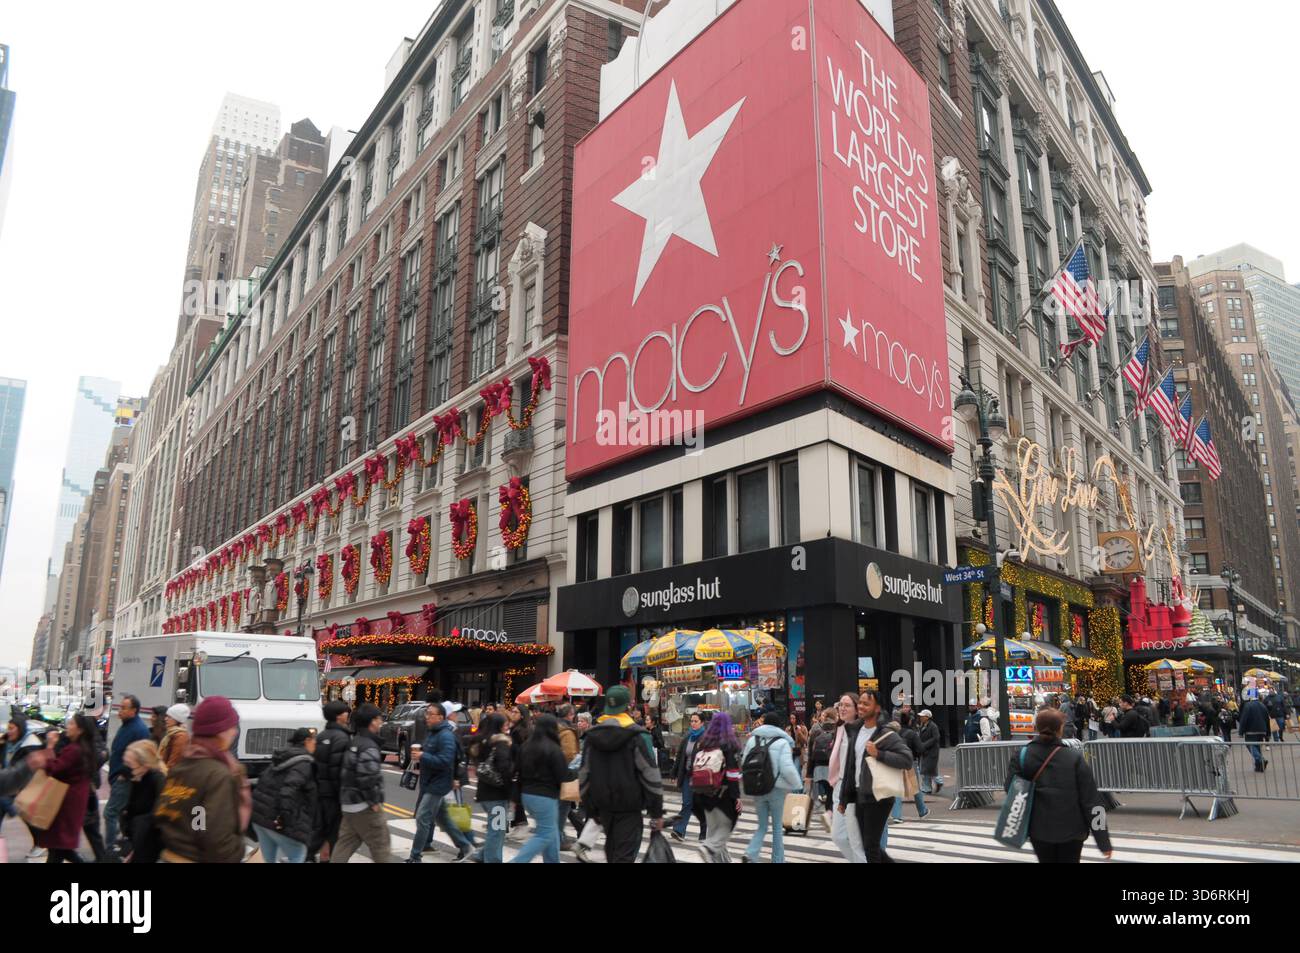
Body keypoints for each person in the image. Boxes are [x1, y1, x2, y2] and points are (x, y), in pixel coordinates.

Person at [1004, 708, 1113, 863]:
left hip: (1039, 829)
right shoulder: (1074, 758)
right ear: (1060, 729)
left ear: (1036, 727)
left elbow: (1011, 790)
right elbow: (1093, 801)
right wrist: (1103, 840)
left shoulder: (1022, 755)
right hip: (1072, 830)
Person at [154, 696, 250, 863]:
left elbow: (165, 814)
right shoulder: (219, 775)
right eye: (232, 727)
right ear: (220, 730)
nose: (235, 732)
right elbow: (215, 838)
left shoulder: (183, 766)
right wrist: (240, 850)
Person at [577, 685, 663, 863]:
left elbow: (584, 775)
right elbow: (651, 775)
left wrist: (591, 809)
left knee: (612, 850)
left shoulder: (591, 737)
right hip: (630, 808)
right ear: (628, 707)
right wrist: (656, 812)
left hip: (603, 807)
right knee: (624, 855)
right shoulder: (638, 736)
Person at [841, 691, 912, 863]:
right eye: (861, 703)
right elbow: (851, 767)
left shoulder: (886, 733)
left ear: (877, 708)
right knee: (868, 846)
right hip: (860, 794)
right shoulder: (855, 730)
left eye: (866, 704)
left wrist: (879, 754)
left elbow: (907, 759)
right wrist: (844, 798)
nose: (861, 706)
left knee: (870, 847)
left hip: (879, 795)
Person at [407, 703, 475, 863]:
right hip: (430, 782)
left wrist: (423, 756)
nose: (427, 716)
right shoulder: (433, 733)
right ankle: (466, 846)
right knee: (443, 818)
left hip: (438, 784)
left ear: (440, 717)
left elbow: (445, 761)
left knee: (422, 817)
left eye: (430, 714)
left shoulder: (445, 735)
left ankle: (415, 856)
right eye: (427, 713)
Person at [510, 714, 575, 864]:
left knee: (550, 831)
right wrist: (575, 772)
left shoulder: (526, 745)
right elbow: (563, 776)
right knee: (545, 833)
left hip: (527, 794)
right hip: (545, 796)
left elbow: (516, 770)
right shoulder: (553, 748)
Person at [330, 704, 390, 864]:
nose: (381, 722)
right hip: (364, 807)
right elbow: (368, 777)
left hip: (349, 805)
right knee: (381, 845)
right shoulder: (369, 746)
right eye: (379, 719)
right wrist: (374, 802)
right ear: (372, 722)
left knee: (344, 845)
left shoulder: (354, 742)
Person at [740, 709, 801, 863]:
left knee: (761, 826)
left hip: (757, 789)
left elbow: (744, 763)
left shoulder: (752, 740)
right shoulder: (782, 742)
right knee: (776, 829)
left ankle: (751, 853)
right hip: (776, 790)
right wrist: (797, 785)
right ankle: (778, 860)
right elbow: (787, 768)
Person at [35, 713, 98, 862]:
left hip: (65, 802)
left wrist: (49, 748)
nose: (67, 727)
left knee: (59, 845)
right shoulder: (83, 748)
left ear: (80, 729)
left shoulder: (74, 750)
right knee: (59, 847)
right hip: (71, 800)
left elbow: (54, 769)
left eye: (71, 724)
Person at [251, 727, 318, 863]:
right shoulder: (303, 763)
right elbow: (288, 792)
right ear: (307, 741)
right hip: (277, 819)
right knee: (298, 854)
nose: (316, 744)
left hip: (259, 818)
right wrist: (285, 820)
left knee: (270, 859)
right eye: (314, 741)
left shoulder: (282, 757)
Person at [692, 711, 742, 863]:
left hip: (702, 792)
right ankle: (707, 848)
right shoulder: (728, 744)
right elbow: (732, 774)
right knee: (726, 827)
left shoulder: (703, 742)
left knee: (714, 831)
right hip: (722, 793)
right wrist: (736, 797)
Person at [104, 694, 150, 859]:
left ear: (134, 710)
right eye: (120, 707)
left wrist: (125, 774)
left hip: (125, 779)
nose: (119, 711)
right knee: (119, 813)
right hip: (118, 777)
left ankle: (110, 849)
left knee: (110, 812)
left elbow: (142, 756)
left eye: (124, 708)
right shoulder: (128, 725)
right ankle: (119, 842)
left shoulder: (138, 729)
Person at [469, 713, 514, 863]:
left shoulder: (482, 742)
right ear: (500, 726)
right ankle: (492, 860)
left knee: (494, 829)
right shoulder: (500, 743)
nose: (507, 727)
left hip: (484, 791)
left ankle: (481, 855)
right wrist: (511, 790)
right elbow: (504, 768)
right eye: (506, 725)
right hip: (498, 795)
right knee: (497, 831)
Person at [1, 710, 46, 857]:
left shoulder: (30, 744)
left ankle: (42, 843)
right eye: (9, 727)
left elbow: (25, 770)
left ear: (20, 728)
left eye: (12, 728)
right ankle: (42, 843)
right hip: (10, 785)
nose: (9, 731)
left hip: (24, 786)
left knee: (27, 815)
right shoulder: (8, 741)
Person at [313, 700, 351, 861]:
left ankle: (322, 858)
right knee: (334, 834)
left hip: (319, 793)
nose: (347, 714)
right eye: (344, 712)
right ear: (338, 716)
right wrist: (343, 798)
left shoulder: (321, 736)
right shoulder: (341, 738)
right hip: (333, 797)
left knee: (323, 833)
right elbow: (338, 772)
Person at [119, 740, 165, 864]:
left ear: (145, 765)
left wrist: (135, 850)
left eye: (129, 764)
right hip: (136, 841)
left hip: (147, 846)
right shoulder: (138, 777)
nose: (126, 768)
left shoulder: (158, 781)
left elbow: (155, 820)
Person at [670, 712, 709, 843]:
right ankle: (679, 830)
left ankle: (704, 833)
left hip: (701, 778)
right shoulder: (688, 737)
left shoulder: (706, 738)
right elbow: (680, 756)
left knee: (701, 806)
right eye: (691, 721)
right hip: (687, 776)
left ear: (702, 723)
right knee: (687, 803)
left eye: (695, 721)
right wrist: (674, 773)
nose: (692, 723)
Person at [887, 717, 928, 822]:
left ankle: (896, 815)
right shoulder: (912, 734)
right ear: (909, 721)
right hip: (909, 762)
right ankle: (922, 811)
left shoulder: (891, 737)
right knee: (915, 788)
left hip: (895, 763)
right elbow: (920, 749)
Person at [805, 708, 838, 831]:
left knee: (825, 794)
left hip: (818, 769)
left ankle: (827, 814)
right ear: (835, 717)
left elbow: (810, 755)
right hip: (833, 768)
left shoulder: (816, 732)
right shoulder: (838, 731)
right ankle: (829, 814)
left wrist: (809, 774)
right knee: (833, 794)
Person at [506, 705, 532, 835]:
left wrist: (510, 744)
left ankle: (521, 823)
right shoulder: (516, 728)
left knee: (516, 796)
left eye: (516, 712)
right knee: (515, 796)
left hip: (518, 766)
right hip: (517, 766)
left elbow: (521, 750)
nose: (512, 713)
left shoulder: (520, 731)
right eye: (512, 711)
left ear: (522, 715)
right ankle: (517, 823)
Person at [1238, 695, 1272, 772]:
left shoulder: (1248, 706)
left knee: (1251, 745)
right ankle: (1259, 766)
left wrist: (1241, 731)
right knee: (1257, 747)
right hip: (1262, 730)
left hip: (1251, 730)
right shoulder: (1262, 705)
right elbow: (1267, 719)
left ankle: (1261, 759)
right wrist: (1268, 733)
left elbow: (1244, 719)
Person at [915, 709, 943, 796]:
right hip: (925, 751)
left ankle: (938, 782)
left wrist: (924, 745)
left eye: (922, 716)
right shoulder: (922, 725)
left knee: (929, 770)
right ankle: (926, 788)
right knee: (925, 770)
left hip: (932, 751)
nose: (920, 717)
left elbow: (936, 738)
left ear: (927, 717)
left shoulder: (933, 726)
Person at [157, 704, 190, 772]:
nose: (165, 719)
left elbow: (173, 763)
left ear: (177, 720)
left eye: (170, 717)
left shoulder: (181, 737)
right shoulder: (172, 733)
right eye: (166, 716)